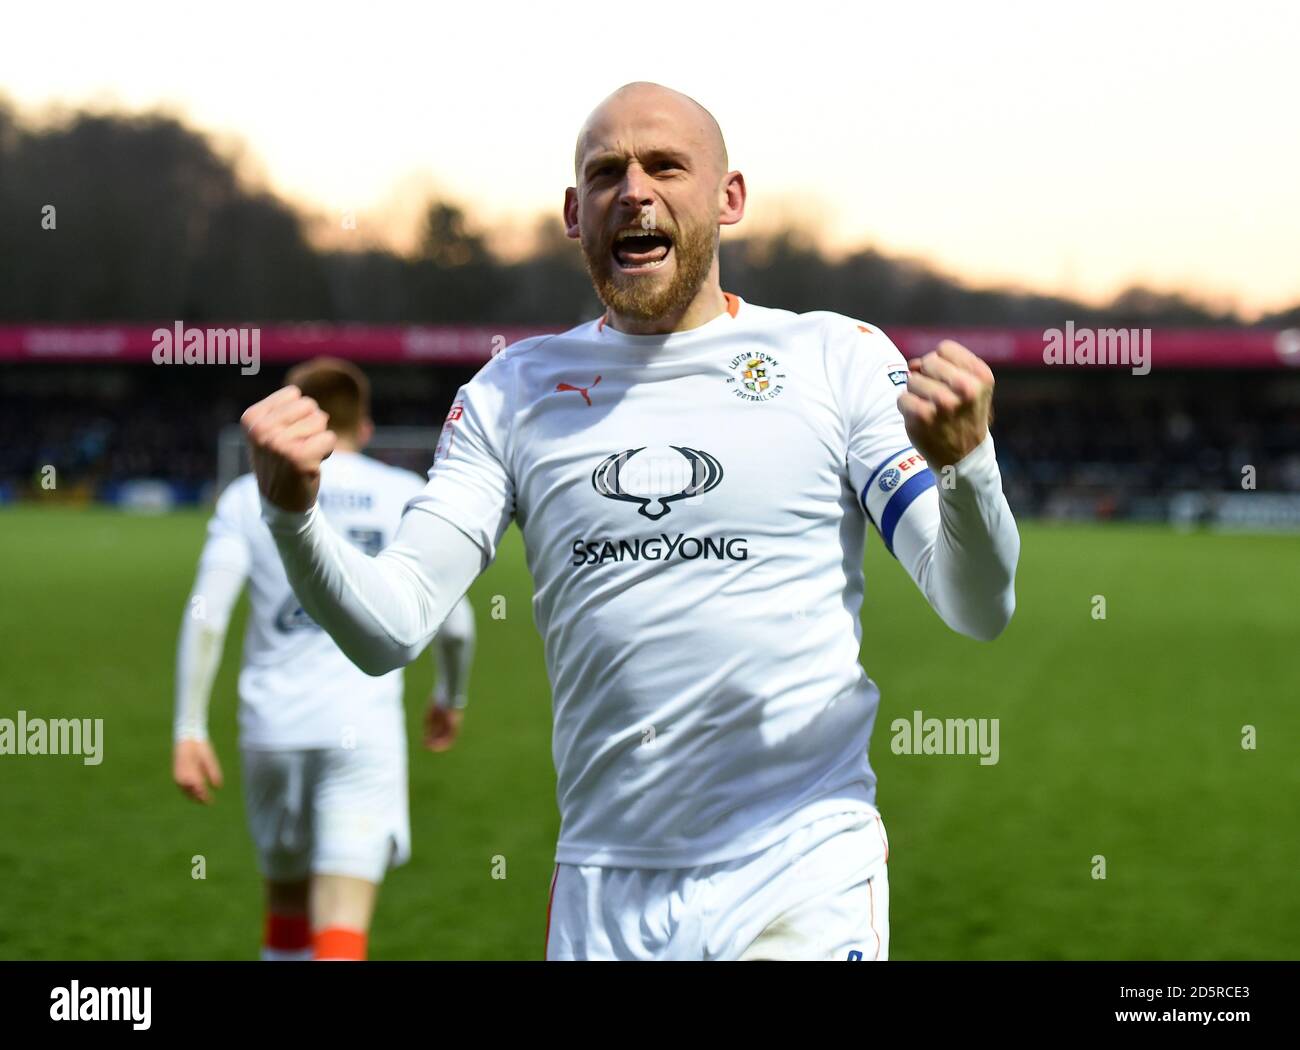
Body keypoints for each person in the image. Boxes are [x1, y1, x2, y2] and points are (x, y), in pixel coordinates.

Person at [239, 83, 1020, 960]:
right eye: (606, 172)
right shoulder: (511, 393)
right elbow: (393, 625)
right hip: (604, 887)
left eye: (665, 165)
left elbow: (975, 603)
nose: (634, 189)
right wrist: (292, 514)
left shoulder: (834, 359)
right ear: (575, 214)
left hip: (801, 866)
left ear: (728, 199)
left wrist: (967, 468)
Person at [172, 356, 475, 960]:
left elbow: (207, 612)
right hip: (360, 731)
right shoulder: (401, 493)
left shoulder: (245, 494)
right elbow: (459, 626)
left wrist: (188, 727)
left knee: (285, 915)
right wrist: (450, 698)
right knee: (341, 930)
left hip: (272, 730)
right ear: (363, 425)